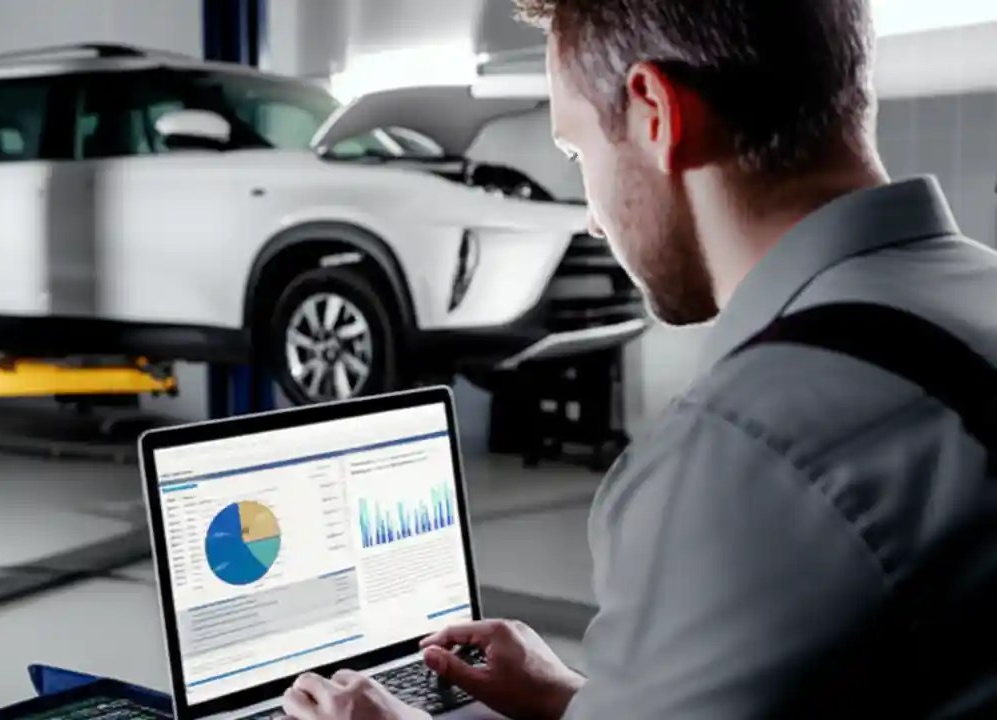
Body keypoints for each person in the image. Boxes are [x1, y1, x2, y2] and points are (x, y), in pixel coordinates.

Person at [282, 0, 997, 717]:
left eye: (576, 152)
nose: (592, 215)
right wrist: (584, 701)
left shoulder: (742, 455)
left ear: (656, 112)